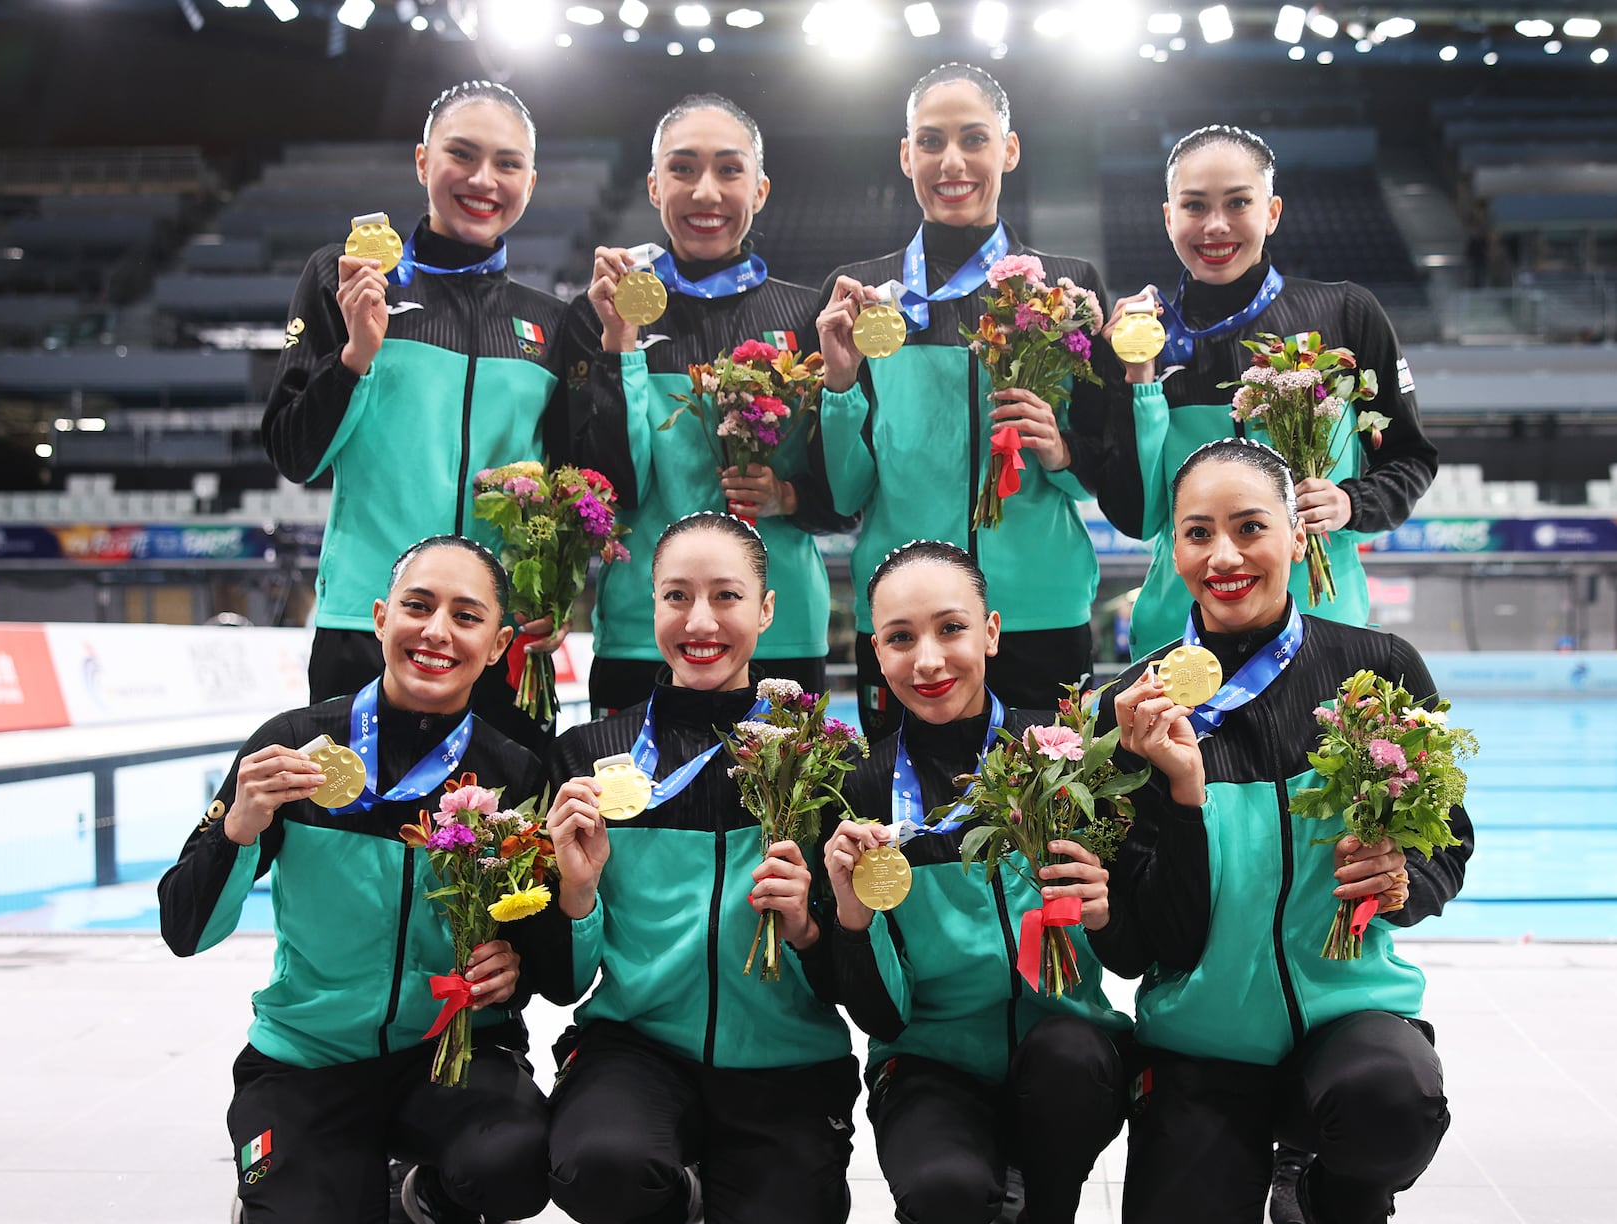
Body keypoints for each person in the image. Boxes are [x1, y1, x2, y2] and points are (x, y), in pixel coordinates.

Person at [1098, 439, 1472, 1224]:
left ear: (1293, 530)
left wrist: (1404, 873)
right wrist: (1177, 796)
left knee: (1394, 1098)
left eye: (1249, 527)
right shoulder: (1130, 710)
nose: (1224, 555)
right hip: (1200, 1045)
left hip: (1344, 1019)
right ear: (1171, 551)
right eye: (1198, 533)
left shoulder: (1376, 672)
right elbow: (1143, 946)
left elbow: (1450, 841)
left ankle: (1351, 1219)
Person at [158, 535, 553, 1224]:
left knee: (517, 1159)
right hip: (309, 1061)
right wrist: (240, 826)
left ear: (495, 644)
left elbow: (536, 936)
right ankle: (297, 1185)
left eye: (466, 615)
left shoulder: (513, 773)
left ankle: (445, 1201)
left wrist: (510, 963)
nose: (437, 631)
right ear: (380, 618)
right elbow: (184, 928)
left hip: (444, 1056)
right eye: (417, 606)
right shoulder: (294, 748)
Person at [530, 510, 859, 1224]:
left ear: (768, 609)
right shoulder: (592, 758)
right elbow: (564, 984)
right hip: (640, 1049)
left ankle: (772, 1197)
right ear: (651, 606)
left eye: (726, 596)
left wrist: (811, 925)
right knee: (600, 1162)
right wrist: (576, 890)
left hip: (784, 1067)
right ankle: (656, 1211)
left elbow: (860, 983)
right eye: (678, 596)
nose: (701, 622)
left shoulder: (819, 761)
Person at [821, 540, 1132, 1224]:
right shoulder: (856, 788)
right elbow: (877, 1010)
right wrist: (853, 917)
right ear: (874, 650)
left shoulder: (1062, 757)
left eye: (950, 628)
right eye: (898, 637)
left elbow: (1134, 945)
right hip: (928, 1057)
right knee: (947, 1195)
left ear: (991, 632)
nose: (927, 660)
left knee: (1068, 1062)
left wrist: (1108, 907)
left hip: (1060, 1047)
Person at [262, 80, 570, 754]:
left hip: (500, 639)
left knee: (506, 851)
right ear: (423, 161)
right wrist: (355, 354)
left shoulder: (551, 323)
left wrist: (559, 592)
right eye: (462, 154)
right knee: (352, 846)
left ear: (532, 180)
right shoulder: (341, 278)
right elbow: (292, 451)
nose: (484, 179)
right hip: (368, 626)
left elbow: (569, 487)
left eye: (508, 163)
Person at [815, 62, 1114, 738]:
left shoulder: (1068, 288)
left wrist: (1061, 449)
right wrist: (838, 387)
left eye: (974, 138)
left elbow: (1104, 471)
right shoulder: (861, 296)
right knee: (910, 820)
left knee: (1050, 821)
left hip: (1040, 610)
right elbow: (842, 496)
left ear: (1008, 149)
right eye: (930, 141)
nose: (952, 161)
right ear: (905, 155)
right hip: (905, 618)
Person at [1098, 125, 1436, 660]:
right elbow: (1138, 519)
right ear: (1168, 218)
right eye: (1194, 206)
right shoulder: (1143, 338)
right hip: (1181, 642)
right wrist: (1138, 378)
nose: (1215, 225)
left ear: (1272, 212)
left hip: (1321, 630)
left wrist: (1352, 501)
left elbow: (1410, 458)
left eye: (1238, 203)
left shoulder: (1346, 314)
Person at [564, 94, 846, 716]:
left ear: (762, 188)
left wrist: (788, 496)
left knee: (783, 812)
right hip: (646, 631)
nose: (706, 192)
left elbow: (850, 497)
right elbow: (613, 490)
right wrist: (620, 347)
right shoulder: (604, 310)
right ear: (653, 184)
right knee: (635, 812)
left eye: (729, 169)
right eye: (683, 168)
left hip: (783, 628)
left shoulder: (807, 317)